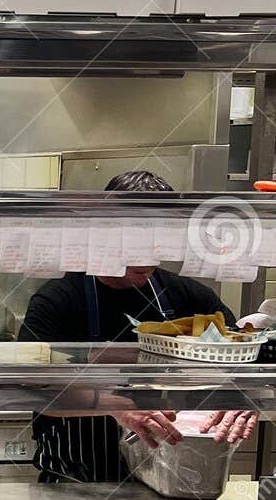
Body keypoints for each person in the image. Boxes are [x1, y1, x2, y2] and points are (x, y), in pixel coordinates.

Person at [16, 169, 258, 482]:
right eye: (136, 241)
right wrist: (115, 407)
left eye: (159, 241)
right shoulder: (59, 300)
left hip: (175, 483)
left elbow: (246, 359)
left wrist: (242, 396)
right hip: (75, 486)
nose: (147, 255)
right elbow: (33, 388)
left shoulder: (190, 296)